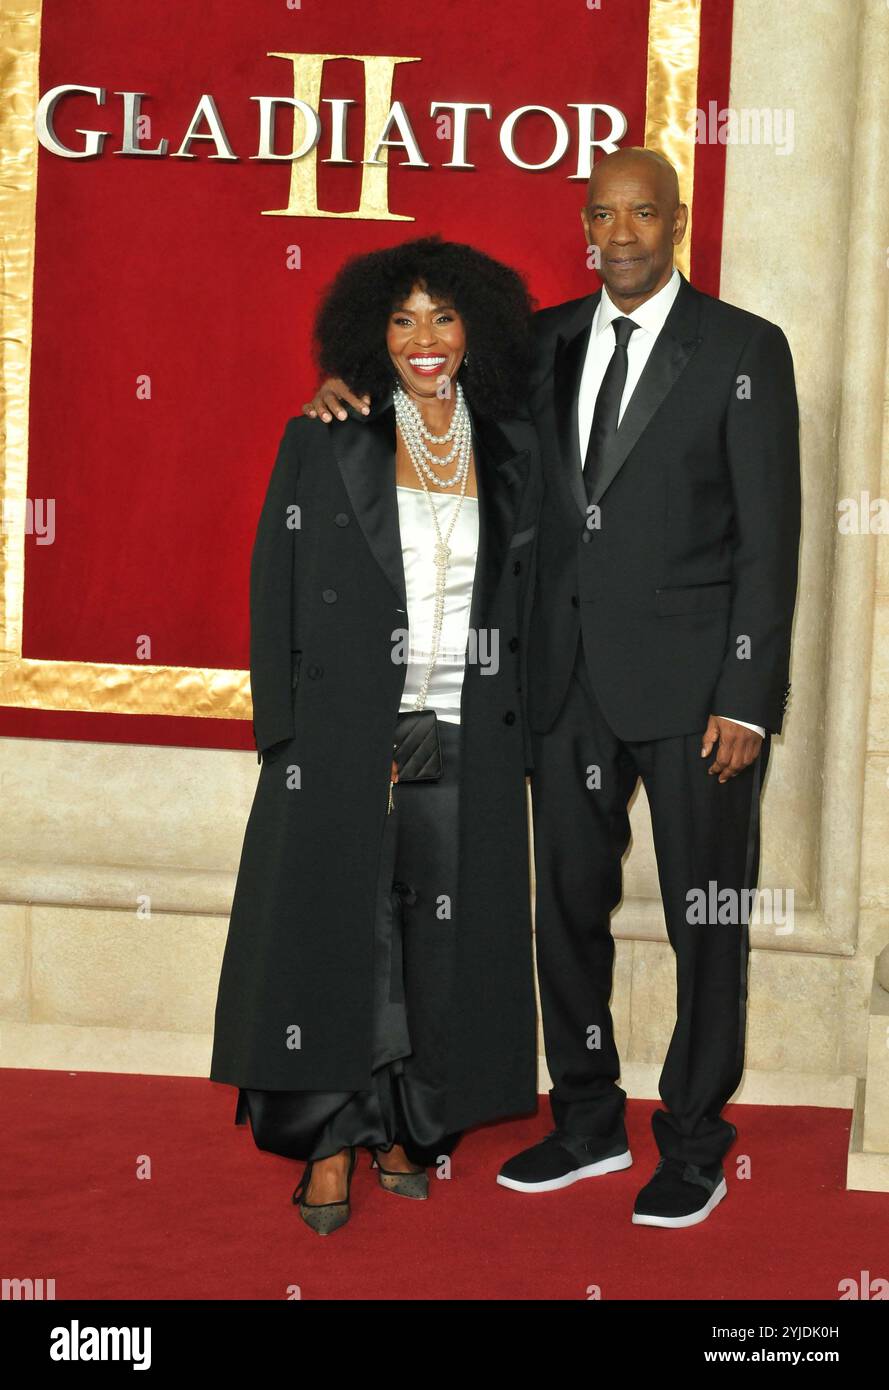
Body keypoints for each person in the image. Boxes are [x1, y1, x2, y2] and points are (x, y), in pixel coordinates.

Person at [304, 147, 801, 1229]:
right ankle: (583, 1118)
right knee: (564, 913)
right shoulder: (544, 342)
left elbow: (771, 537)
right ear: (585, 224)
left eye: (641, 214)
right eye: (602, 214)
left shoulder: (743, 349)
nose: (620, 233)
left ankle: (695, 1138)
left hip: (695, 694)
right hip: (559, 681)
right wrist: (347, 390)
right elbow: (441, 411)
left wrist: (748, 695)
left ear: (675, 222)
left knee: (701, 917)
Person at [211, 236, 543, 1235]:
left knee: (436, 943)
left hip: (464, 733)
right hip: (344, 737)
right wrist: (286, 738)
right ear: (372, 334)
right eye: (401, 319)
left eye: (443, 316)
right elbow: (275, 582)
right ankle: (327, 1146)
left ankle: (408, 1129)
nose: (424, 339)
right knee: (335, 943)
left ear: (474, 327)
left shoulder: (513, 446)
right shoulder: (328, 433)